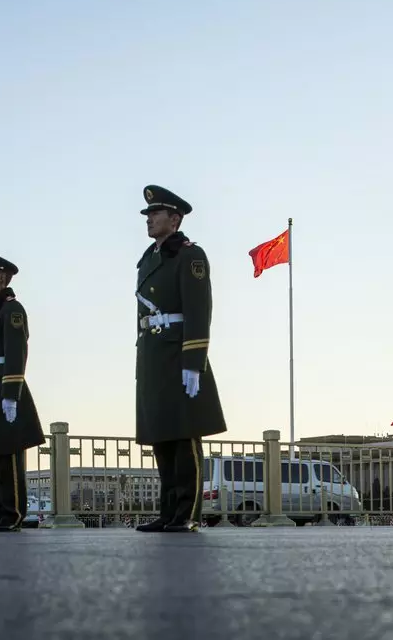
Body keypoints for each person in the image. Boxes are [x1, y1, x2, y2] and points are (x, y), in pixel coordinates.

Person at [134, 185, 228, 533]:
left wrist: (194, 361)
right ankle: (168, 511)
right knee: (162, 436)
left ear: (174, 219)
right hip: (154, 356)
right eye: (148, 215)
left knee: (184, 435)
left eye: (156, 214)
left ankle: (186, 512)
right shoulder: (149, 258)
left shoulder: (190, 256)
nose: (149, 220)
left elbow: (199, 309)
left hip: (178, 353)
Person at [0, 251, 45, 532]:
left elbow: (17, 352)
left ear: (1, 277)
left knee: (9, 452)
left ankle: (13, 512)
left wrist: (11, 393)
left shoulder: (12, 309)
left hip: (4, 382)